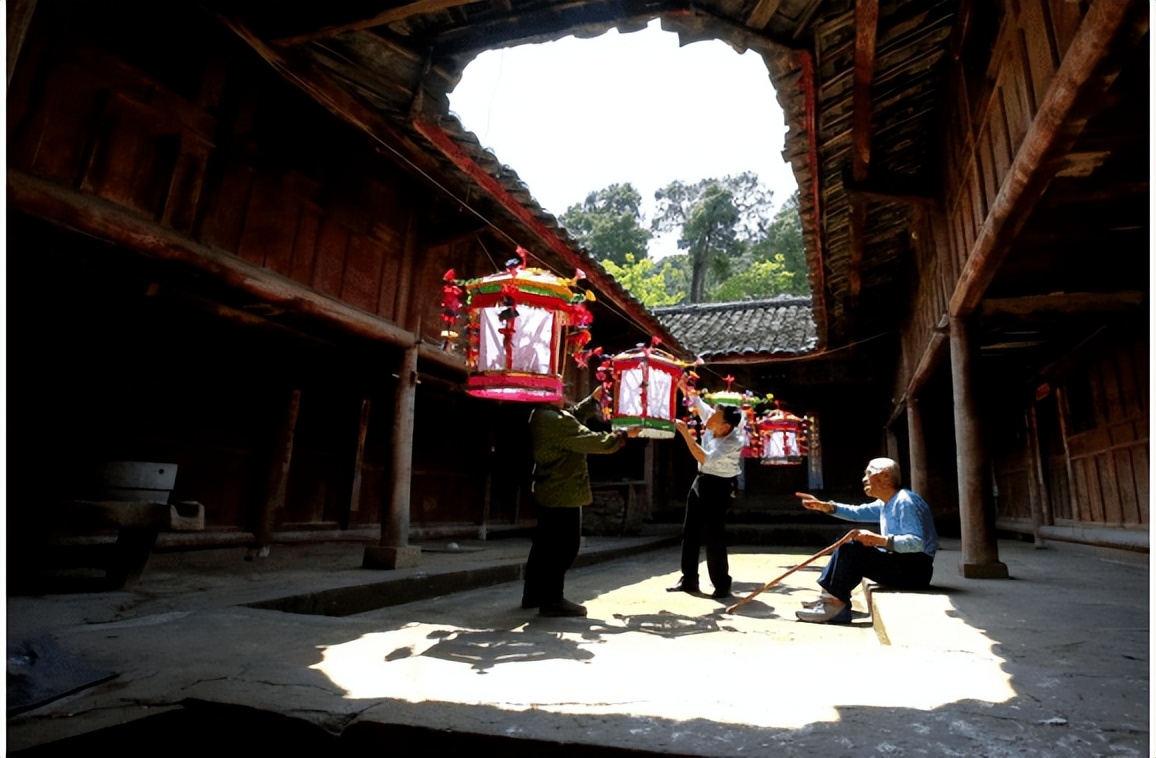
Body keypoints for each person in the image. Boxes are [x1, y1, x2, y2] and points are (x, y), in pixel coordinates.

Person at [522, 386, 639, 617]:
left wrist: (593, 400)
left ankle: (534, 594)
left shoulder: (544, 415)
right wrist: (622, 435)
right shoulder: (552, 419)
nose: (564, 390)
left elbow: (572, 417)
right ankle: (552, 600)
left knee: (544, 546)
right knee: (564, 547)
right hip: (563, 490)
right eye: (558, 388)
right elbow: (592, 441)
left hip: (551, 488)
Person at [793, 457, 938, 624]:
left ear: (884, 476)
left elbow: (916, 542)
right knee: (847, 545)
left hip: (914, 571)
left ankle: (834, 605)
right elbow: (857, 512)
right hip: (903, 564)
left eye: (868, 473)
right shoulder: (886, 503)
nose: (864, 479)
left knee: (853, 550)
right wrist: (827, 507)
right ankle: (830, 598)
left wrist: (879, 540)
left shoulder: (905, 502)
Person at [667, 382, 745, 599]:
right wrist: (682, 383)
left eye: (715, 418)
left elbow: (704, 458)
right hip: (701, 480)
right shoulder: (715, 422)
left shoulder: (733, 442)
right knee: (690, 530)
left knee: (715, 534)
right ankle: (689, 579)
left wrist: (685, 433)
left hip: (721, 485)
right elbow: (696, 401)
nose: (708, 419)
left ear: (726, 427)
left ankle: (721, 584)